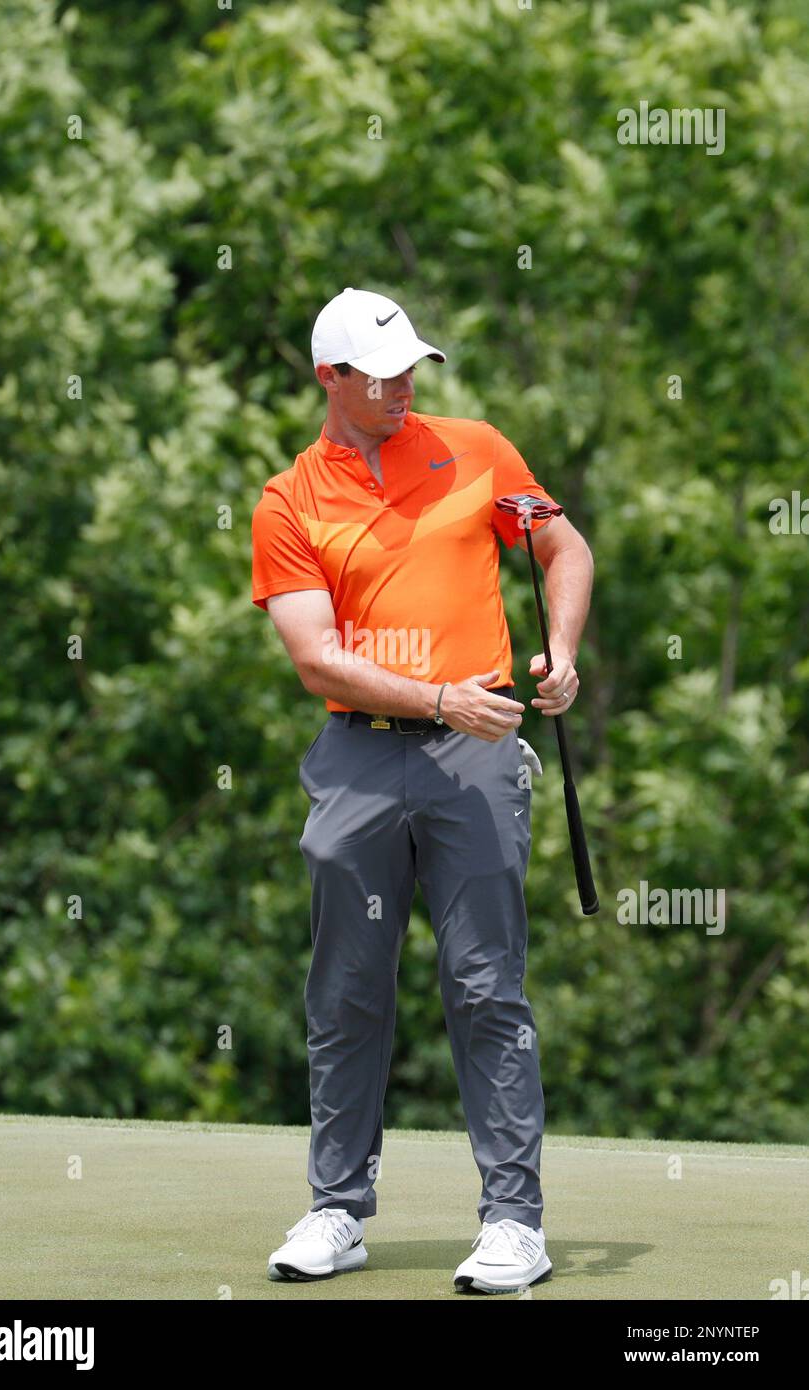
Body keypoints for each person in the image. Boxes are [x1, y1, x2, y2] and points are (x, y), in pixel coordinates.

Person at [250, 287, 594, 1293]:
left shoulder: (476, 449)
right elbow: (317, 661)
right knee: (345, 990)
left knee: (486, 984)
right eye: (377, 375)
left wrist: (559, 650)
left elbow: (558, 547)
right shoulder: (288, 502)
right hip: (360, 758)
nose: (400, 388)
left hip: (475, 756)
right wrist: (436, 696)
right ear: (329, 378)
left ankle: (512, 1223)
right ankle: (336, 1211)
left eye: (409, 370)